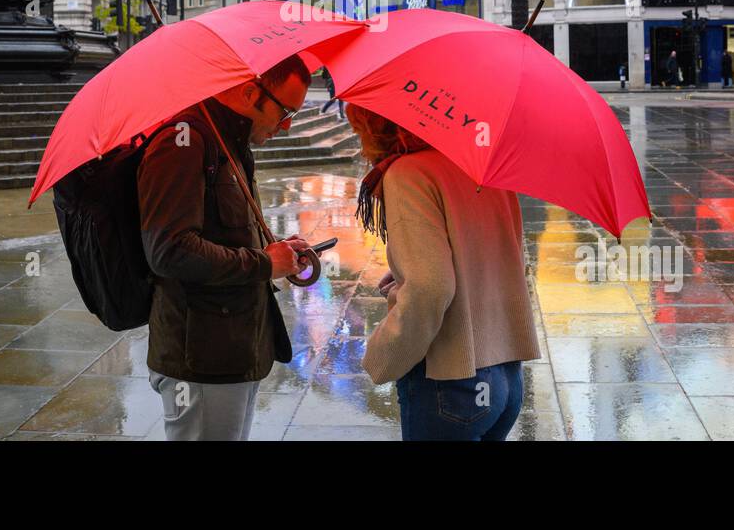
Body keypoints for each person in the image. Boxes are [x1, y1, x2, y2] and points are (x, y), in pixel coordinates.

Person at [138, 55, 313, 440]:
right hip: (201, 357)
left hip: (234, 346)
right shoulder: (183, 141)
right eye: (285, 111)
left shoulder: (228, 142)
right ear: (251, 91)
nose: (286, 126)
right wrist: (264, 264)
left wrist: (277, 250)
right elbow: (170, 250)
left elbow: (224, 233)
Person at [345, 105, 540, 441]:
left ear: (376, 128)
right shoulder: (481, 165)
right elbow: (496, 259)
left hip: (451, 380)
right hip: (505, 377)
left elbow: (430, 288)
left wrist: (383, 354)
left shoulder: (408, 173)